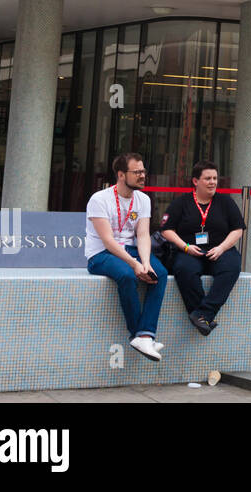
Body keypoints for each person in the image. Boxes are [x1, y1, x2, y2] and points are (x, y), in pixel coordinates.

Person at [85, 153, 167, 361]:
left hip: (130, 250)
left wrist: (145, 263)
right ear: (121, 175)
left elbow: (142, 235)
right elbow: (107, 240)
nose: (142, 175)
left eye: (143, 171)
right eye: (137, 172)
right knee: (127, 275)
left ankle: (146, 334)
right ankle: (137, 334)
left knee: (160, 273)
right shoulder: (99, 199)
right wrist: (134, 264)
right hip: (101, 254)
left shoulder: (143, 199)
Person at [158, 160, 245, 336]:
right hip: (190, 250)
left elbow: (238, 229)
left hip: (220, 250)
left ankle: (202, 314)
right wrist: (185, 247)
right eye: (207, 178)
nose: (212, 182)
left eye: (215, 178)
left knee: (231, 267)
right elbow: (166, 229)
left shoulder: (225, 202)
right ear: (196, 181)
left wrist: (221, 248)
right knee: (184, 269)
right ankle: (203, 317)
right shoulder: (181, 203)